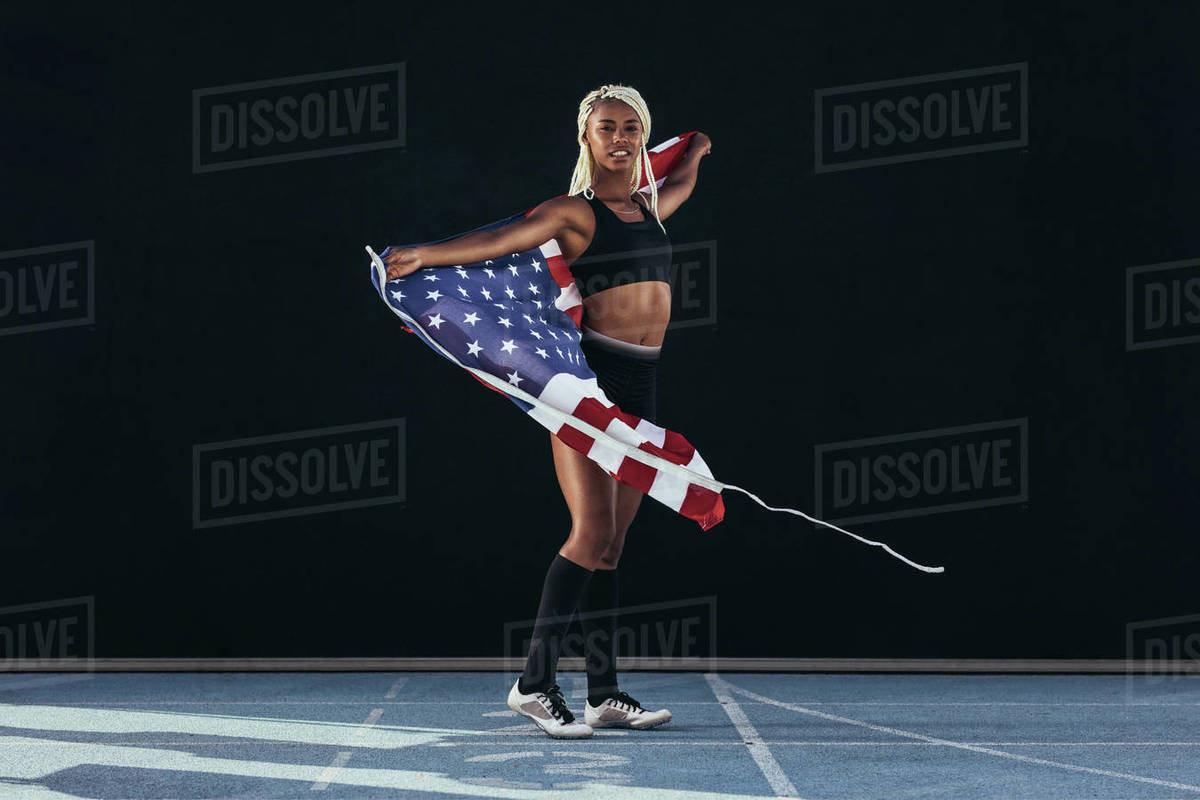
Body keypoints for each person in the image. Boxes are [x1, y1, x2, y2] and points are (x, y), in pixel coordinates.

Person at [383, 84, 711, 738]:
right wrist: (426, 256)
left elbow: (679, 191)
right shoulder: (575, 212)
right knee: (590, 534)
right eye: (607, 128)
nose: (619, 139)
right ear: (586, 140)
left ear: (641, 140)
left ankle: (603, 693)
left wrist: (696, 150)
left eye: (630, 129)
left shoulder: (648, 208)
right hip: (591, 386)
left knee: (613, 548)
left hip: (643, 391)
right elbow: (506, 238)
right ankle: (534, 683)